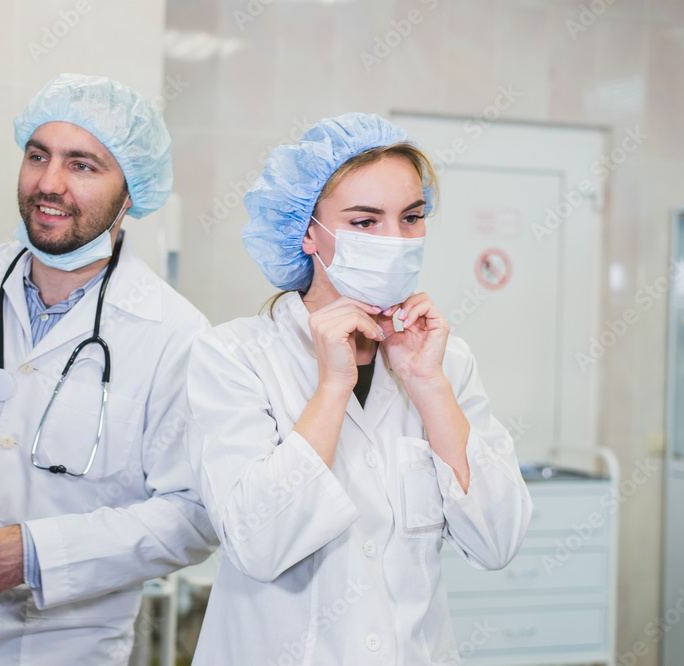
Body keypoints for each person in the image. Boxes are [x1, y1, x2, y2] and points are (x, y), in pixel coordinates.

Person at [0, 73, 217, 665]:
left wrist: (36, 554)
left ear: (131, 191)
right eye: (37, 156)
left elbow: (191, 516)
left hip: (62, 646)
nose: (48, 184)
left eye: (81, 165)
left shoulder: (177, 335)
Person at [185, 113, 533, 664]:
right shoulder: (235, 356)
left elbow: (498, 541)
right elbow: (259, 544)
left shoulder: (446, 363)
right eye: (366, 222)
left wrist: (428, 384)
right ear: (306, 231)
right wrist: (332, 386)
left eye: (412, 217)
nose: (395, 241)